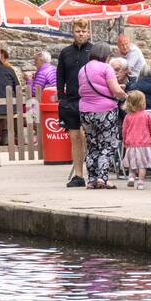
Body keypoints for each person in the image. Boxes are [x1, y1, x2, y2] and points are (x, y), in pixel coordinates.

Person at [78, 41, 128, 189]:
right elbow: (116, 90)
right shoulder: (107, 68)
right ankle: (103, 178)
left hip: (85, 112)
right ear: (106, 56)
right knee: (107, 145)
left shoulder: (83, 69)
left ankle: (92, 179)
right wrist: (126, 96)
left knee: (92, 145)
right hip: (105, 111)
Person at [55, 19, 92, 187]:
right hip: (70, 100)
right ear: (73, 32)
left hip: (89, 100)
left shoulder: (93, 51)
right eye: (78, 31)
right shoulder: (65, 53)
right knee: (75, 137)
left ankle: (93, 171)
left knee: (88, 136)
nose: (81, 34)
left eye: (84, 31)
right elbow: (60, 76)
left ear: (88, 32)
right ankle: (78, 174)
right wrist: (61, 97)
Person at [120, 90, 151, 189]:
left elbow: (124, 130)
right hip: (145, 144)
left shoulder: (128, 116)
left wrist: (124, 140)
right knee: (142, 165)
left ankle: (131, 177)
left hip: (131, 143)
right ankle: (140, 182)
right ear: (142, 102)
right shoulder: (147, 115)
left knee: (133, 162)